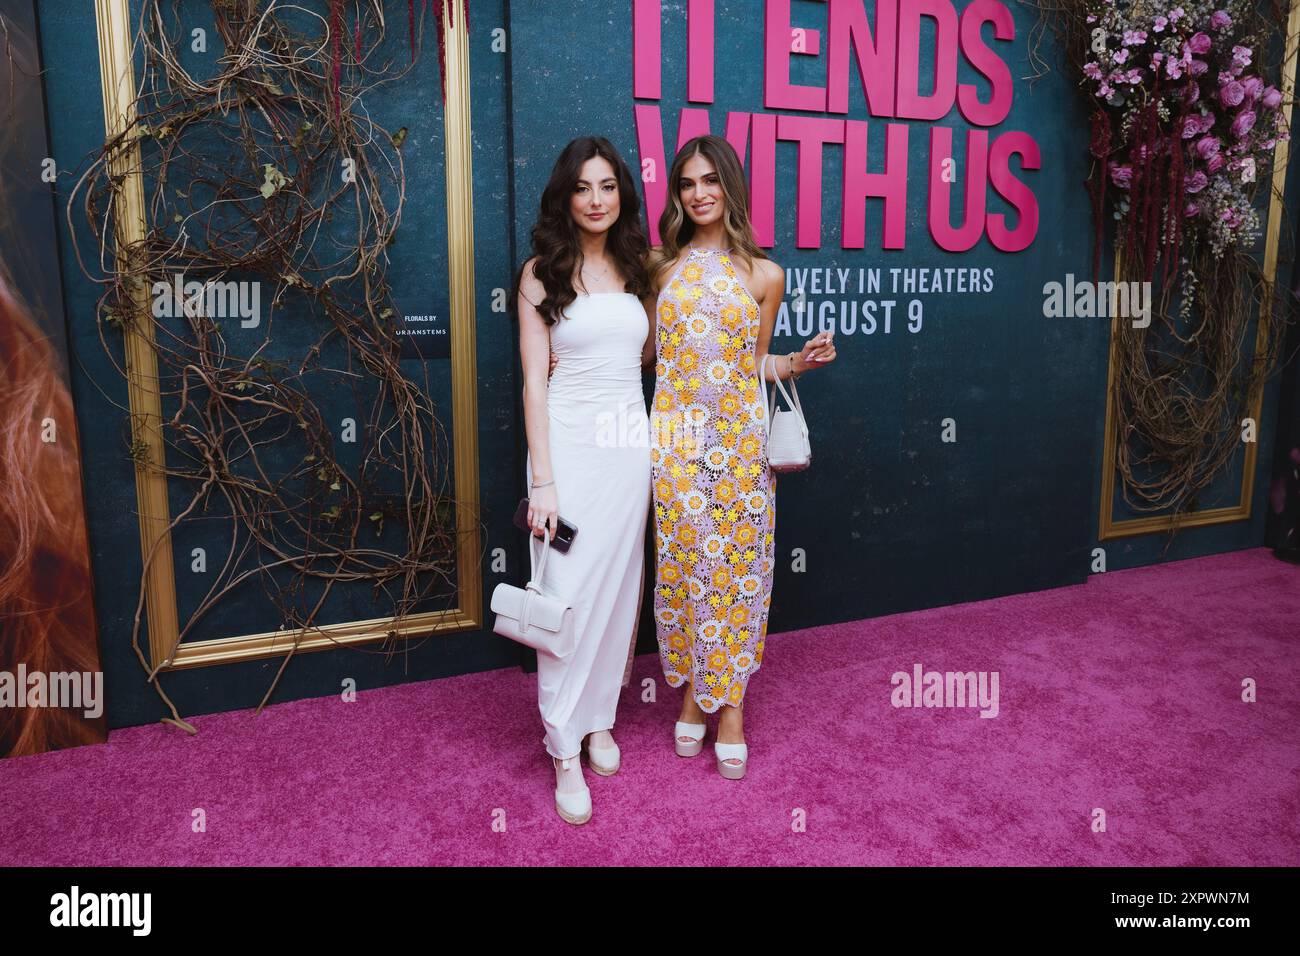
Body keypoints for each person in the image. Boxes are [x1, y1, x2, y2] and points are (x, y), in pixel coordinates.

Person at [644, 135, 836, 778]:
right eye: (687, 183)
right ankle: (699, 693)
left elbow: (757, 363)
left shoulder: (764, 273)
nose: (698, 193)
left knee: (736, 573)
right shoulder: (659, 269)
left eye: (710, 181)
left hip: (739, 444)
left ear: (730, 187)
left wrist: (800, 363)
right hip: (674, 444)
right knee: (685, 571)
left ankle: (728, 710)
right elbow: (644, 355)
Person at [511, 136, 654, 824]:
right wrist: (543, 482)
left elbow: (655, 358)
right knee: (565, 594)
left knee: (617, 594)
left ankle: (600, 717)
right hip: (566, 455)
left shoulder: (639, 269)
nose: (596, 200)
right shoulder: (542, 273)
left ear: (622, 194)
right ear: (565, 198)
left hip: (631, 455)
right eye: (583, 188)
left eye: (608, 186)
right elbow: (534, 386)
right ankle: (563, 743)